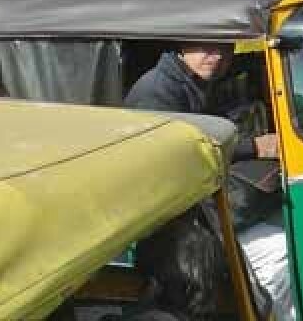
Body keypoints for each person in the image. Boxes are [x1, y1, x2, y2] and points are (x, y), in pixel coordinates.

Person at [125, 42, 293, 318]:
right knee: (280, 251)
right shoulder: (156, 93)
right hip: (175, 225)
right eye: (206, 47)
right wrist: (254, 147)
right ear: (181, 46)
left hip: (201, 204)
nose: (217, 57)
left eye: (225, 49)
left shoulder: (197, 79)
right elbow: (180, 152)